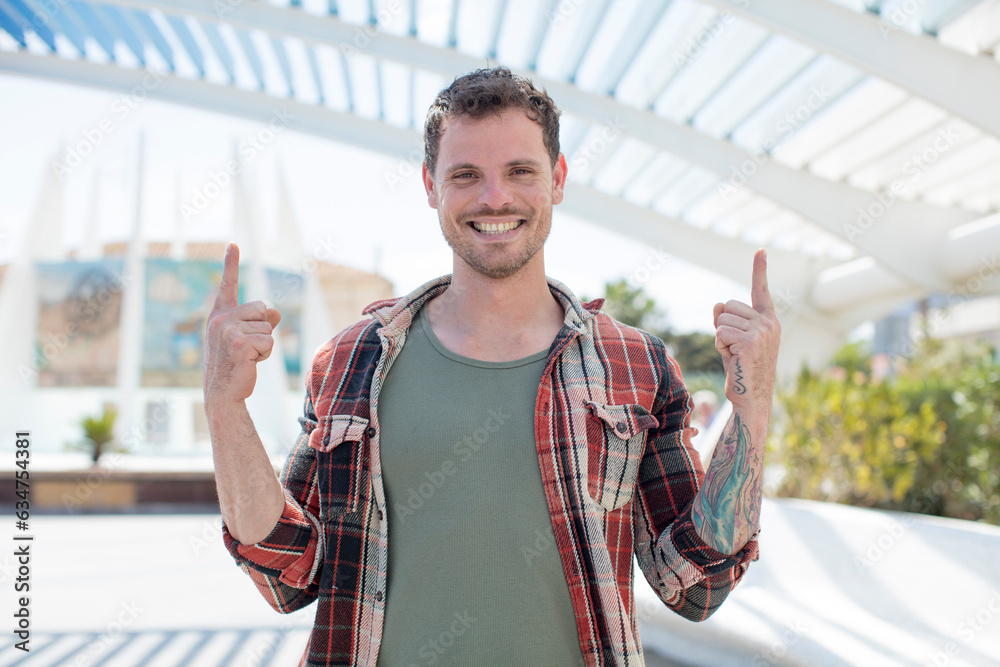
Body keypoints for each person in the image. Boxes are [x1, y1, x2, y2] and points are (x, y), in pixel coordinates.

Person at [204, 67, 780, 666]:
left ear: (558, 178)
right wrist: (224, 406)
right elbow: (289, 575)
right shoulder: (351, 362)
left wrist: (753, 410)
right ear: (430, 185)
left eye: (520, 171)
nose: (495, 197)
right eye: (466, 175)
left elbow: (695, 586)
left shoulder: (636, 365)